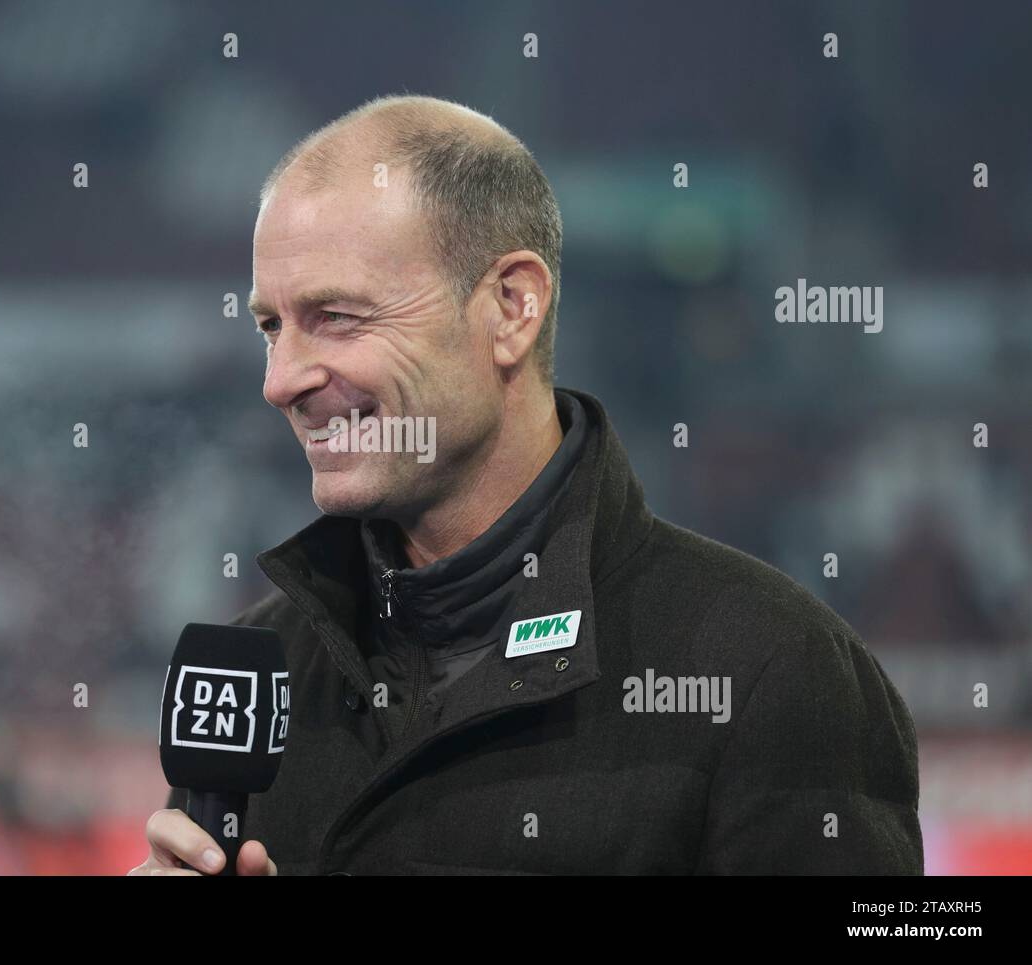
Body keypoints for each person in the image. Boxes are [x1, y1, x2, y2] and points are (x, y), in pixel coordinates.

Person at [130, 94, 923, 876]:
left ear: (512, 306)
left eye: (337, 316)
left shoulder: (772, 669)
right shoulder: (267, 669)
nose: (281, 379)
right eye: (271, 325)